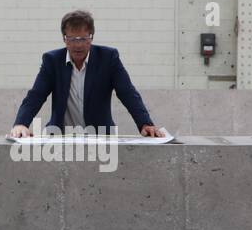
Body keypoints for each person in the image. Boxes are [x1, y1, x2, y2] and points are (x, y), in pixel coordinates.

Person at [9, 9, 166, 138]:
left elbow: (127, 93)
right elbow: (36, 95)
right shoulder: (52, 60)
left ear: (91, 37)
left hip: (101, 136)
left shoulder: (108, 58)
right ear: (64, 38)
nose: (78, 45)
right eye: (72, 39)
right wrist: (21, 123)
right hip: (60, 137)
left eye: (83, 39)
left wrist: (145, 123)